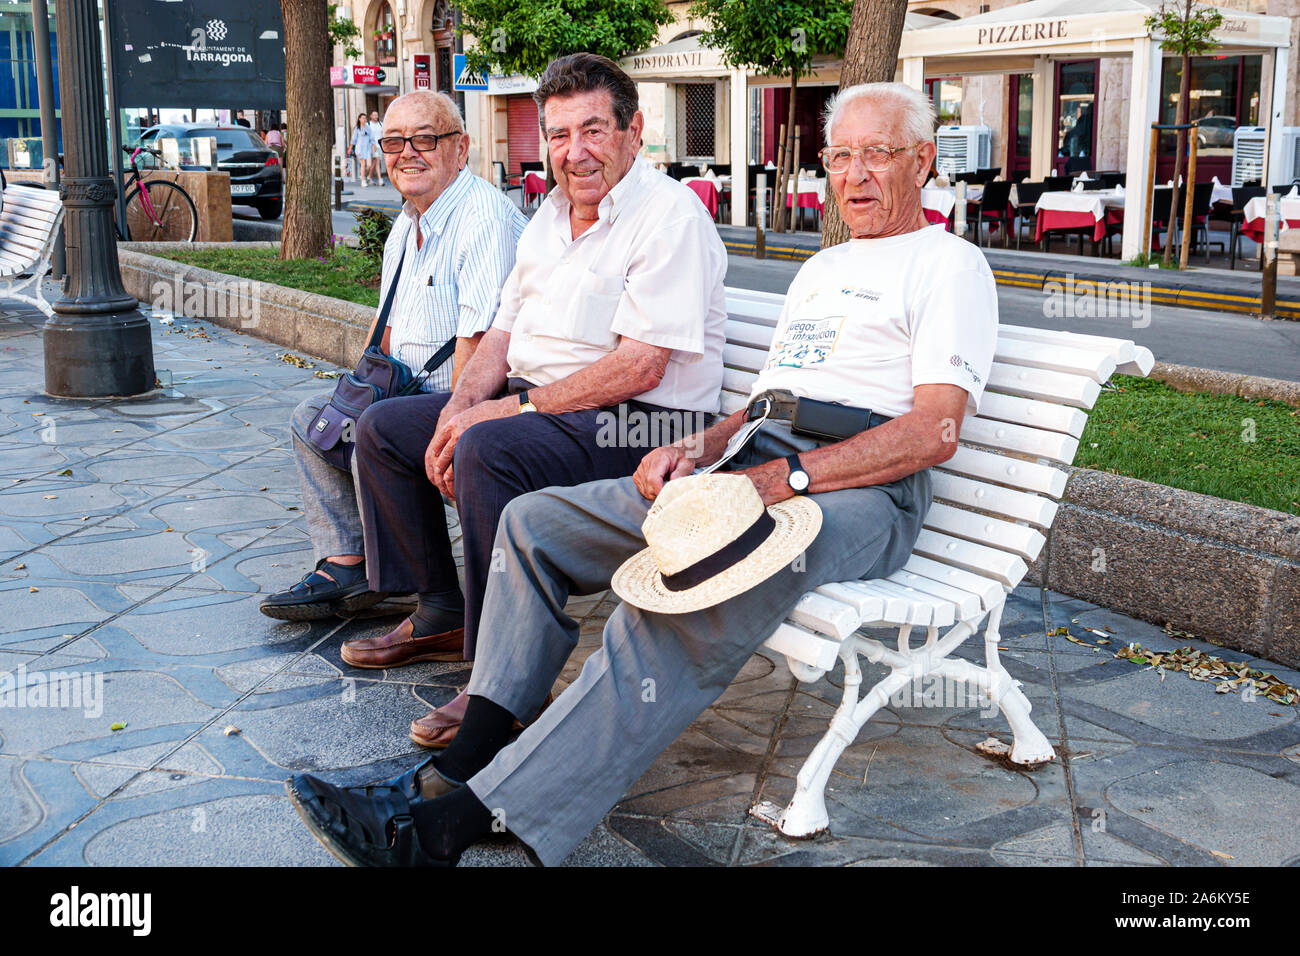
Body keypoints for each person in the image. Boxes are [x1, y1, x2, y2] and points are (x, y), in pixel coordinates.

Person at [286, 80, 1001, 867]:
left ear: (925, 161)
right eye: (841, 156)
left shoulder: (950, 265)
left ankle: (456, 824)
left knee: (672, 599)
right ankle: (471, 756)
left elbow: (933, 432)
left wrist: (782, 481)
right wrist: (700, 447)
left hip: (860, 492)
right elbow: (771, 400)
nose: (856, 174)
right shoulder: (824, 270)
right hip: (755, 464)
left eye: (879, 154)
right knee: (532, 528)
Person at [333, 52, 728, 747]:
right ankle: (439, 609)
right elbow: (501, 335)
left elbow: (641, 365)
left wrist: (507, 412)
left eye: (593, 130)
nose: (573, 152)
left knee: (491, 447)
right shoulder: (547, 217)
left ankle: (506, 679)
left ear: (633, 133)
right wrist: (457, 408)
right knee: (388, 427)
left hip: (643, 428)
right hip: (551, 406)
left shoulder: (667, 217)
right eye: (557, 134)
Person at [259, 91, 527, 623]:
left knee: (379, 427)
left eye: (425, 139)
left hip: (475, 396)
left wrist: (426, 412)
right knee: (314, 420)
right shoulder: (406, 222)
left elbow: (481, 344)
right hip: (410, 389)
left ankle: (425, 592)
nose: (408, 153)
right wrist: (352, 395)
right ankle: (351, 564)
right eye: (394, 142)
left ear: (460, 147)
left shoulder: (482, 217)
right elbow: (383, 335)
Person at [350, 114, 375, 187]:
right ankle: (363, 181)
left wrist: (374, 145)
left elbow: (371, 137)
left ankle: (362, 174)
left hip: (367, 149)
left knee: (369, 165)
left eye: (365, 118)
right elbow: (353, 139)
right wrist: (350, 148)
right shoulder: (357, 128)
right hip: (359, 149)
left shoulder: (368, 128)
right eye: (363, 118)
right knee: (363, 164)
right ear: (359, 119)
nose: (364, 119)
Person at [369, 110, 386, 186]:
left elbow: (383, 135)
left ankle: (369, 177)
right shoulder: (368, 125)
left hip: (380, 145)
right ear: (371, 116)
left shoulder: (381, 124)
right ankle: (380, 179)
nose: (376, 116)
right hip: (372, 146)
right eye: (374, 115)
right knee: (377, 160)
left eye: (377, 115)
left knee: (376, 161)